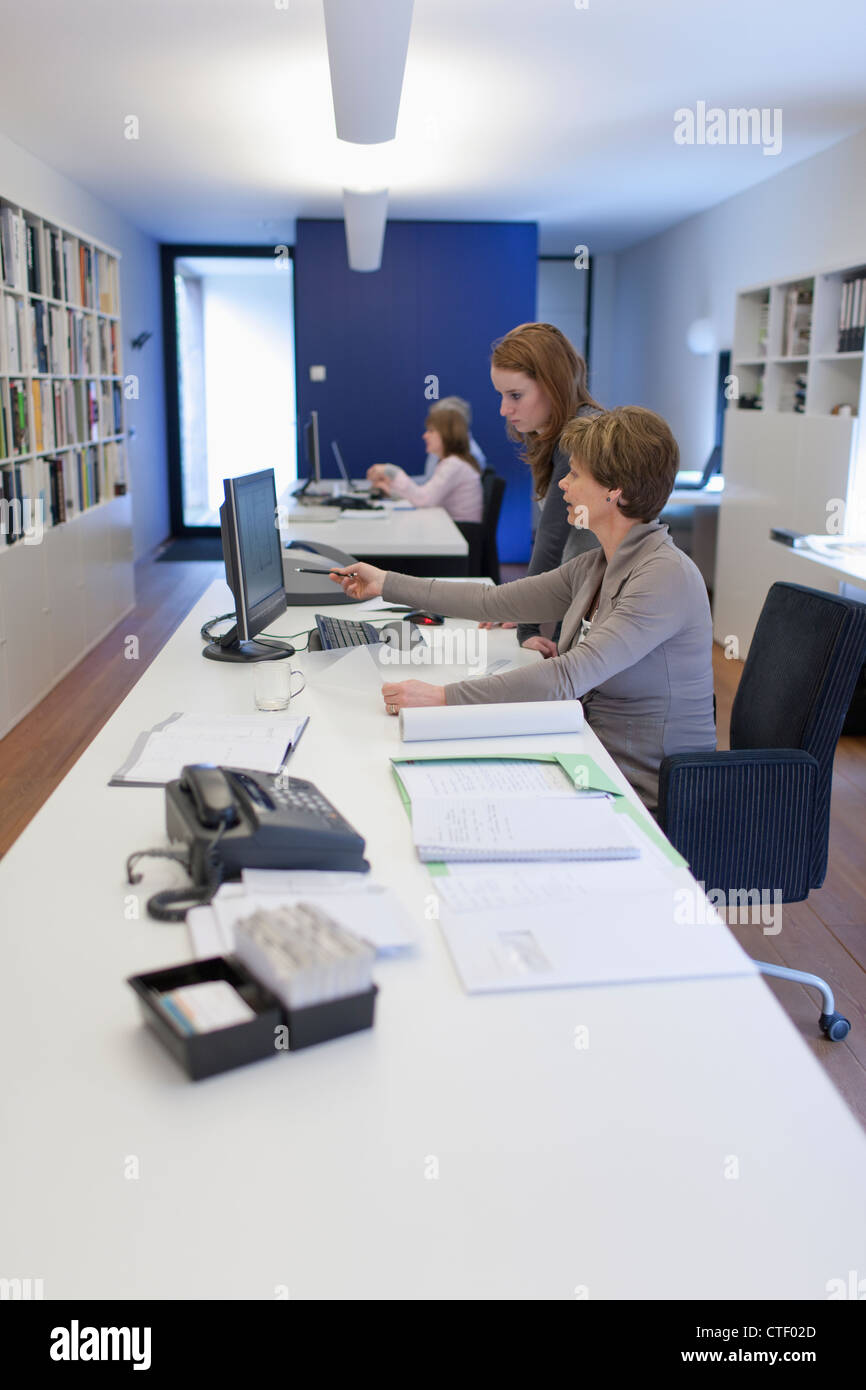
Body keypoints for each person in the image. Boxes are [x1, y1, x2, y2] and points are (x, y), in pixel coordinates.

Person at [331, 407, 716, 812]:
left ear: (614, 490)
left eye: (575, 474)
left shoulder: (663, 576)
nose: (563, 484)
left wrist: (443, 697)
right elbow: (492, 601)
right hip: (588, 757)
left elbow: (567, 676)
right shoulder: (597, 565)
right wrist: (386, 583)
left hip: (648, 798)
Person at [487, 322, 603, 655]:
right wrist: (520, 607)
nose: (504, 409)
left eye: (515, 396)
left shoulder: (580, 435)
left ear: (553, 384)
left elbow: (551, 537)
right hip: (585, 591)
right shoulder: (556, 431)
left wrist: (526, 623)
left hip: (603, 601)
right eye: (501, 395)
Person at [367, 405, 483, 523]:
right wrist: (390, 491)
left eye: (431, 431)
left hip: (459, 530)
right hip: (455, 527)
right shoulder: (453, 462)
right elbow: (425, 494)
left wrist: (391, 471)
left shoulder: (454, 465)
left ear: (447, 434)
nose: (425, 436)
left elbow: (424, 500)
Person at [420, 396, 486, 478]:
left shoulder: (470, 456)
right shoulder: (440, 445)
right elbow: (430, 479)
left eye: (438, 422)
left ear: (454, 424)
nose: (426, 435)